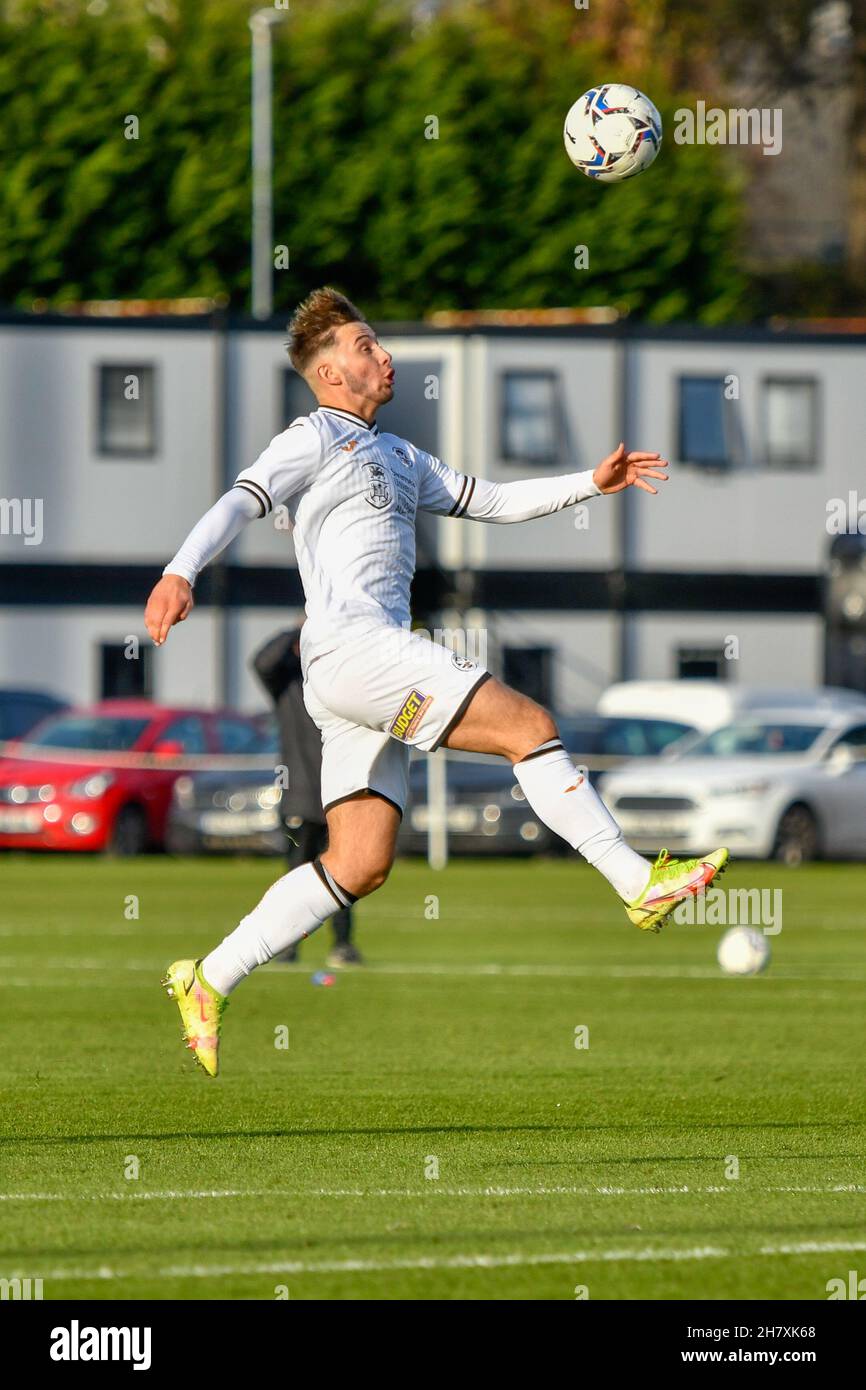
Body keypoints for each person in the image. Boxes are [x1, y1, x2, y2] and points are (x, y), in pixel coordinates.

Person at [145, 286, 728, 1077]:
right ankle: (635, 880)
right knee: (528, 724)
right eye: (365, 345)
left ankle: (208, 977)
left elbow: (491, 501)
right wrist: (179, 572)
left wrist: (591, 483)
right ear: (326, 372)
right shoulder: (311, 436)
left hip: (358, 667)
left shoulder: (399, 454)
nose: (383, 355)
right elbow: (236, 503)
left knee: (360, 863)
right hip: (354, 650)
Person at [251, 625, 362, 968]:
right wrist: (302, 627)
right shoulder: (287, 685)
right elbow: (262, 661)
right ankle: (287, 945)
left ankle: (342, 945)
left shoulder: (339, 685)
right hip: (300, 796)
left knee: (345, 874)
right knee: (296, 877)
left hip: (341, 794)